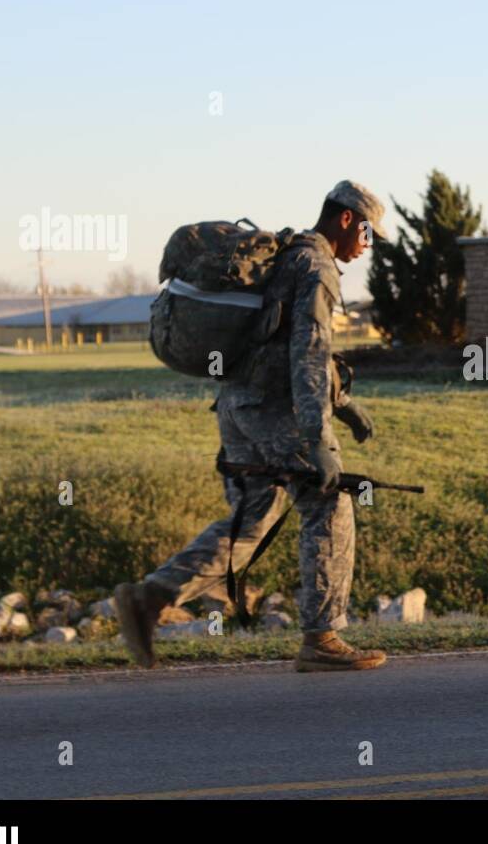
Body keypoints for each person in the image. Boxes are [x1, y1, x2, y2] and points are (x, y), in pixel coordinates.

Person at [115, 180, 389, 672]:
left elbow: (282, 338)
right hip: (274, 409)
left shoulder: (288, 256)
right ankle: (322, 638)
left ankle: (151, 597)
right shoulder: (317, 265)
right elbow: (308, 352)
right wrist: (319, 439)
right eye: (368, 232)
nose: (368, 244)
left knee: (254, 520)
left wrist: (343, 402)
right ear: (346, 218)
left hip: (236, 405)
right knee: (329, 505)